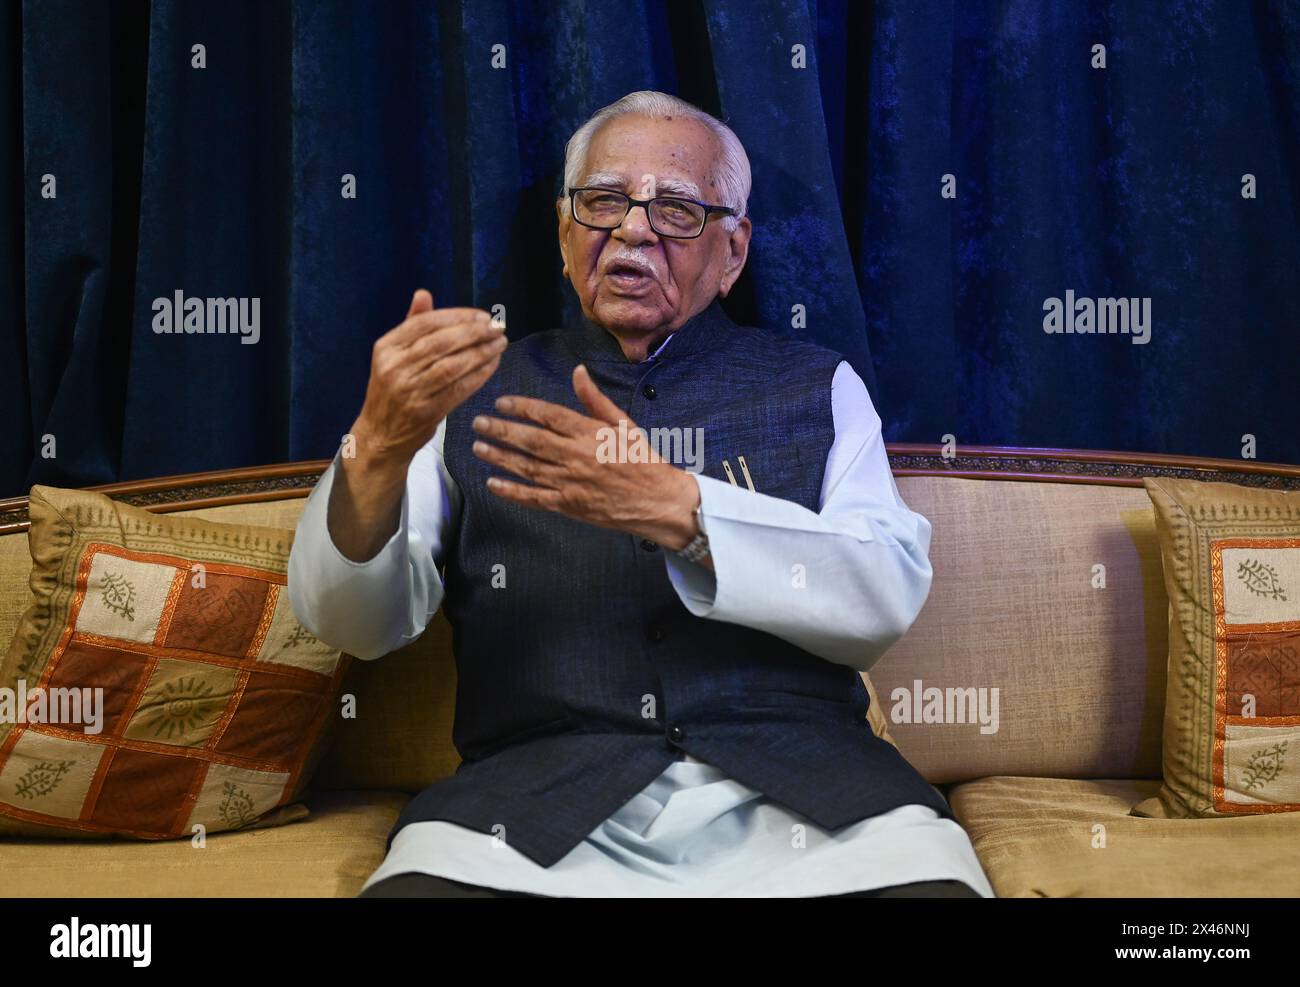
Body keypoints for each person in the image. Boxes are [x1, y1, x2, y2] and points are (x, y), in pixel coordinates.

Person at [288, 90, 994, 898]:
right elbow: (354, 623)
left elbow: (885, 592)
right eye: (604, 201)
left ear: (733, 253)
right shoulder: (470, 393)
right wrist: (374, 449)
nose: (632, 228)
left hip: (816, 814)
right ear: (564, 234)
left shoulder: (818, 384)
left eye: (678, 210)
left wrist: (683, 511)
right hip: (528, 819)